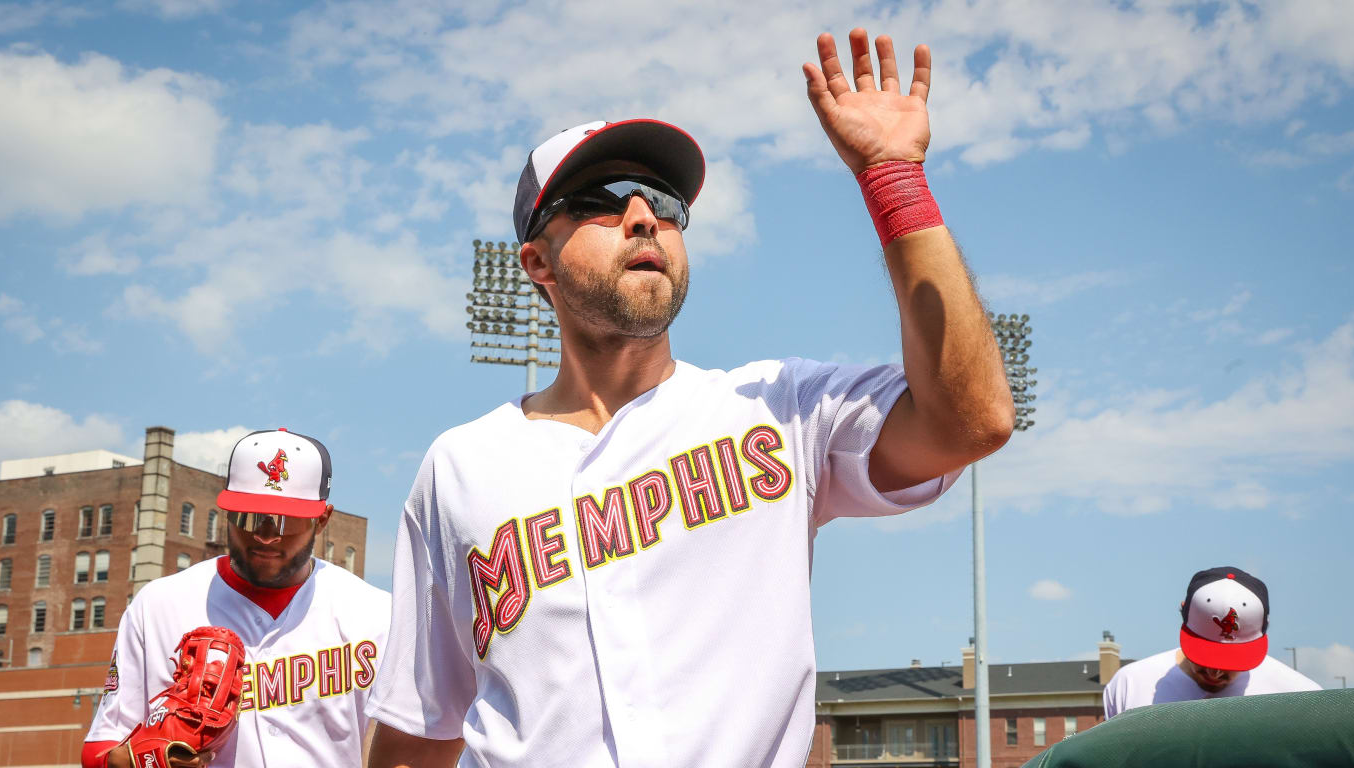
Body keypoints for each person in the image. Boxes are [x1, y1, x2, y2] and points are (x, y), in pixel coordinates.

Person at [365, 28, 1015, 768]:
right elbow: (418, 730)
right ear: (535, 261)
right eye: (603, 200)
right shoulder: (459, 469)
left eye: (666, 203)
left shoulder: (778, 409)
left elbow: (974, 420)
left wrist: (894, 178)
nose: (645, 216)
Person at [82, 428, 392, 768]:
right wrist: (139, 761)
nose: (266, 535)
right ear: (227, 510)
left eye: (285, 520)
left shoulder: (374, 613)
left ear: (322, 520)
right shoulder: (158, 606)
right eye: (249, 517)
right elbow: (100, 748)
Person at [1103, 566, 1320, 718]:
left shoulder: (1299, 696)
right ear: (1183, 612)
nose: (1214, 673)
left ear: (1264, 627)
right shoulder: (1130, 685)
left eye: (1230, 661)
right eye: (1205, 656)